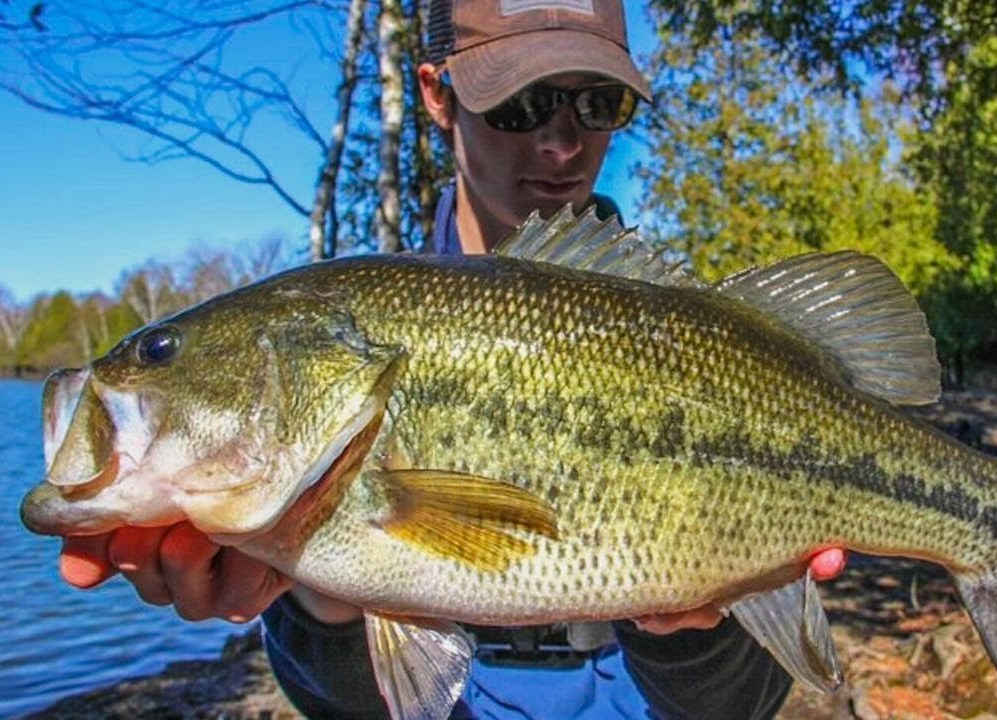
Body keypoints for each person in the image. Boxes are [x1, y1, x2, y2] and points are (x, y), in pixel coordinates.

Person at [56, 1, 850, 717]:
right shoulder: (350, 319)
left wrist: (699, 626)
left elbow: (738, 707)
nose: (561, 141)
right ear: (437, 94)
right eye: (520, 102)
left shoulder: (712, 339)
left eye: (598, 104)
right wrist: (324, 607)